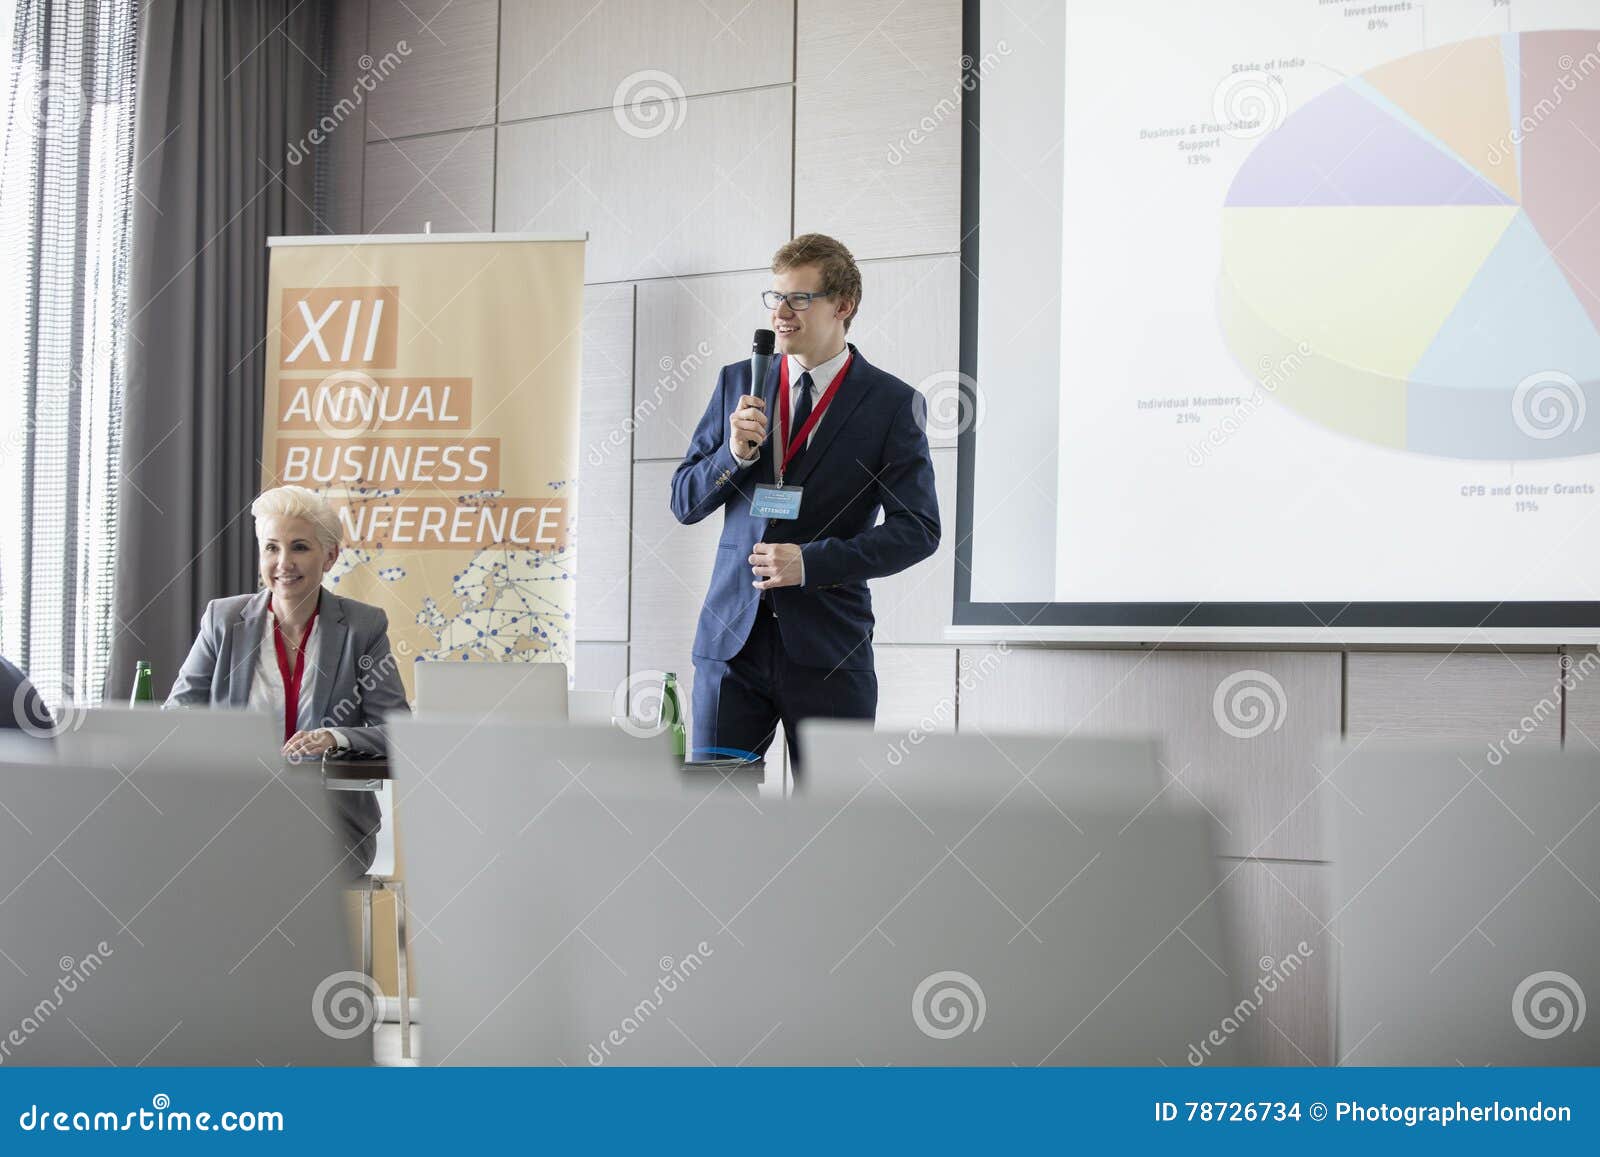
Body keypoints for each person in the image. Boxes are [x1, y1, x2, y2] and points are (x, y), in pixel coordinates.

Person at [670, 233, 941, 769]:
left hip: (829, 652)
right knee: (714, 812)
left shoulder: (892, 404)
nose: (781, 313)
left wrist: (811, 563)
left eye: (799, 298)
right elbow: (684, 501)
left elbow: (918, 530)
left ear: (843, 306)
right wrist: (733, 455)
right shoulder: (737, 382)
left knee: (832, 814)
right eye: (775, 297)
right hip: (730, 647)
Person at [167, 484, 408, 871]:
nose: (283, 562)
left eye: (299, 547)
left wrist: (335, 737)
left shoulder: (363, 627)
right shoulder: (223, 621)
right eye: (271, 548)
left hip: (330, 824)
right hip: (232, 812)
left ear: (329, 556)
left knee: (261, 869)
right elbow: (177, 715)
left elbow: (399, 732)